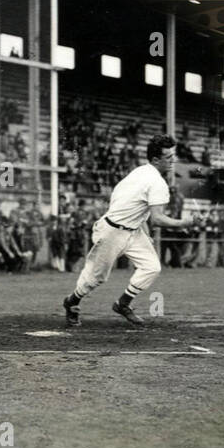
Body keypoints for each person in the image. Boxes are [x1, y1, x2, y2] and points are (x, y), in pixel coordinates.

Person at [61, 134, 190, 327]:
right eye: (169, 157)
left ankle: (123, 304)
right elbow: (157, 219)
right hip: (112, 231)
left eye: (173, 155)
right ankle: (72, 302)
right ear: (155, 160)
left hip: (133, 230)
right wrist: (184, 222)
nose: (173, 161)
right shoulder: (156, 182)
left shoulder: (139, 172)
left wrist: (143, 232)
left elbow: (136, 207)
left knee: (152, 267)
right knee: (95, 279)